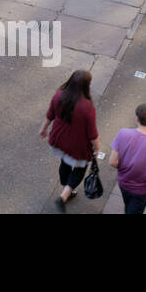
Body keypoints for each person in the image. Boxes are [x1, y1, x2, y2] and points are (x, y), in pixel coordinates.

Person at [40, 70, 100, 211]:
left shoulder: (59, 96)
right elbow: (92, 134)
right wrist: (97, 148)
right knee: (79, 169)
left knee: (65, 162)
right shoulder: (87, 107)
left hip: (59, 140)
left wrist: (43, 129)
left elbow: (50, 115)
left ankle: (64, 183)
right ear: (86, 86)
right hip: (78, 147)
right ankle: (64, 195)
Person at [110, 105, 146, 214]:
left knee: (127, 205)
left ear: (137, 118)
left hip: (123, 182)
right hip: (142, 190)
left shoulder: (123, 133)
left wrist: (124, 168)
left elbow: (112, 161)